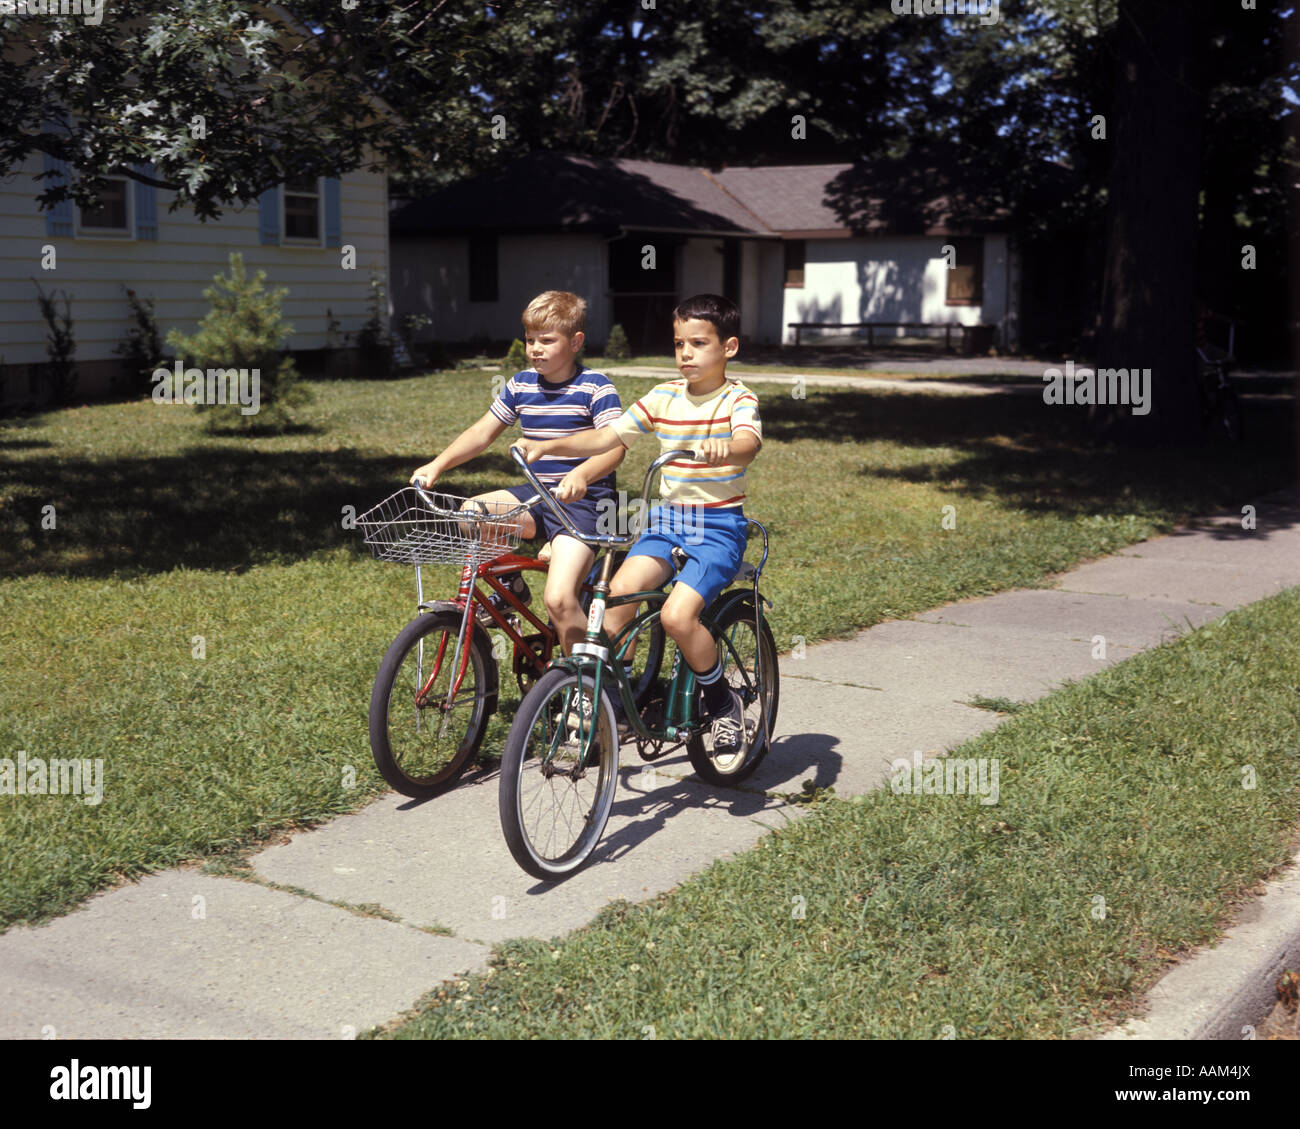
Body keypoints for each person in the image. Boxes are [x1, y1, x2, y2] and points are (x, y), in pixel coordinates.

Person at [511, 293, 761, 759]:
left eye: (699, 343)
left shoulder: (737, 398)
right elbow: (608, 436)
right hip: (666, 523)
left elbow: (748, 441)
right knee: (613, 610)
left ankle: (723, 704)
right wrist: (551, 447)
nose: (686, 353)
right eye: (679, 344)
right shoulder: (664, 395)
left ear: (728, 348)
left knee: (676, 616)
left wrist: (724, 447)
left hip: (717, 527)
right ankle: (612, 708)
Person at [410, 290, 624, 654]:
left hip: (584, 505)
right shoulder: (521, 385)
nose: (535, 348)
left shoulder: (596, 387)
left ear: (575, 342)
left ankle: (584, 683)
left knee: (558, 600)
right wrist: (437, 464)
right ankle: (512, 590)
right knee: (471, 514)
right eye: (530, 340)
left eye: (547, 340)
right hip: (539, 496)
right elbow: (482, 433)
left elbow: (616, 447)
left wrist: (582, 474)